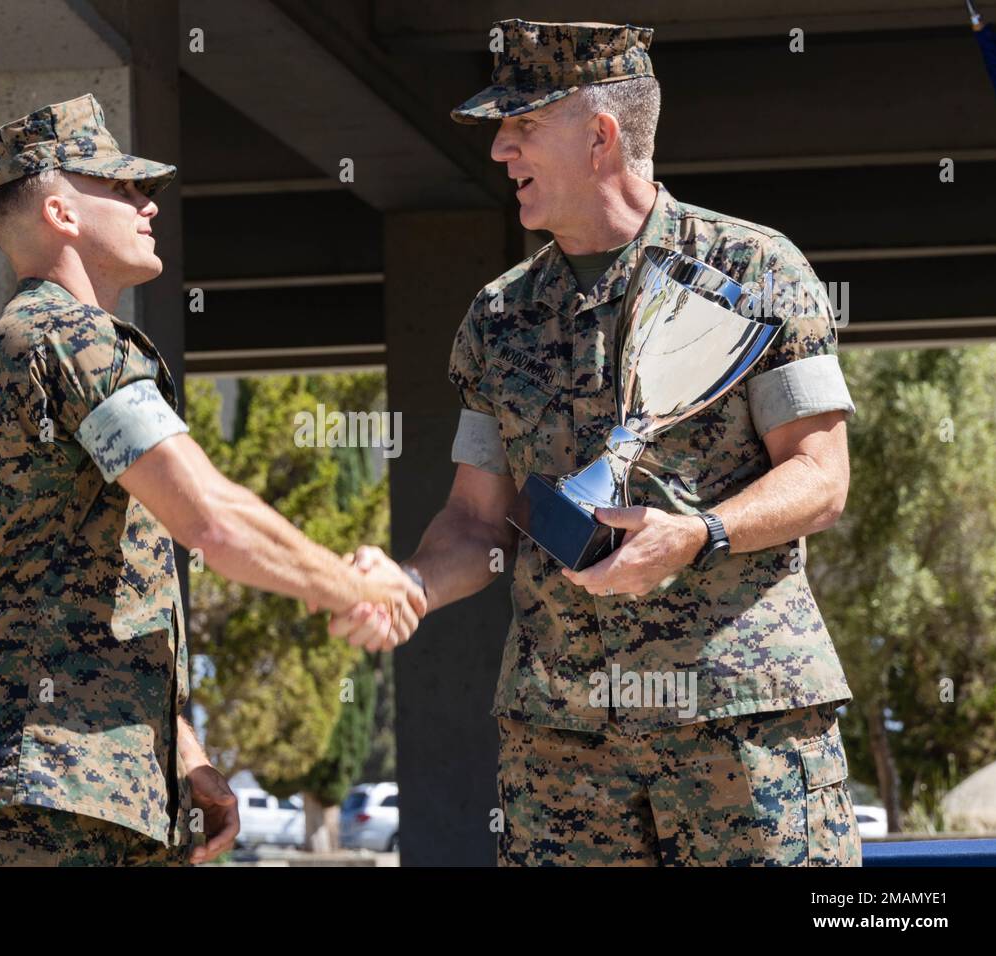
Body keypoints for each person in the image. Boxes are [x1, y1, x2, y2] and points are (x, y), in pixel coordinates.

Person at [342, 21, 861, 866]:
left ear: (600, 135)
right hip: (563, 748)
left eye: (521, 126)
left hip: (738, 723)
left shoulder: (754, 270)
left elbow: (821, 476)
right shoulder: (498, 316)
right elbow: (479, 523)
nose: (501, 150)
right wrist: (407, 586)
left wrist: (699, 535)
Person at [0, 94, 425, 867]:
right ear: (60, 212)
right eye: (121, 187)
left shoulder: (17, 346)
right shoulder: (73, 338)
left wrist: (180, 751)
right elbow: (212, 518)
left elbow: (78, 594)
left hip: (49, 782)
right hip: (58, 791)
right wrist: (358, 591)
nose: (146, 203)